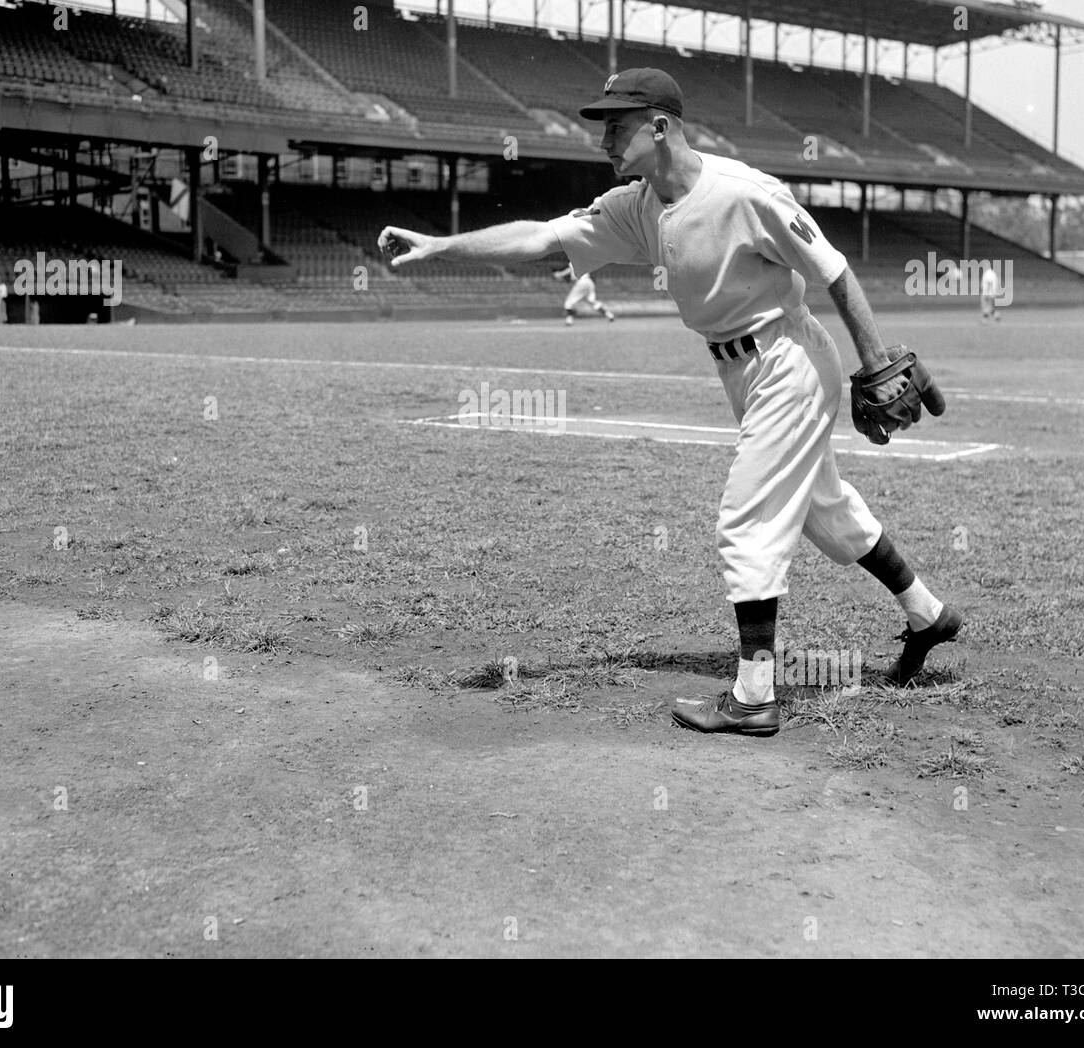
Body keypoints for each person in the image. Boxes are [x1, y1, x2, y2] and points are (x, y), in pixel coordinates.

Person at [379, 68, 962, 736]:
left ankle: (753, 697)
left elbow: (832, 270)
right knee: (827, 516)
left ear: (659, 127)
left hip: (789, 360)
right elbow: (543, 236)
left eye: (616, 125)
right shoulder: (639, 206)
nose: (603, 138)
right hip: (745, 374)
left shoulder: (744, 193)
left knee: (747, 522)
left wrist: (875, 360)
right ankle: (928, 615)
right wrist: (441, 246)